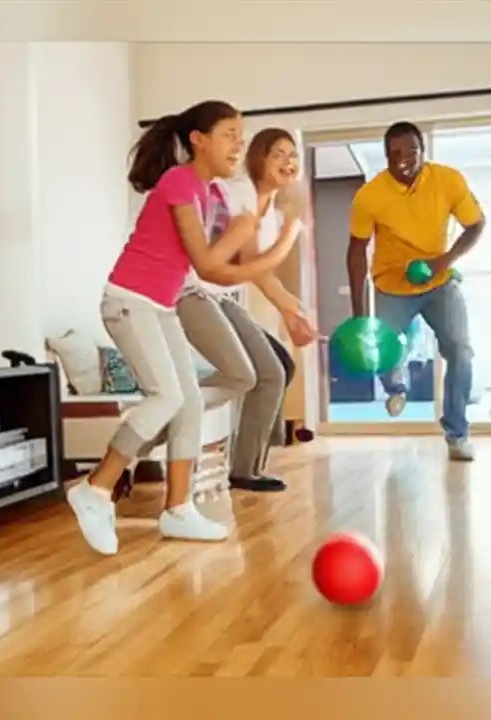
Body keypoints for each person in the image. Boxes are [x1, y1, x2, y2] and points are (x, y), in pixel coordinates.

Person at [66, 100, 303, 556]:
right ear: (199, 139)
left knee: (189, 401)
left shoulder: (212, 196)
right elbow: (208, 265)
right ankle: (94, 488)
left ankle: (178, 509)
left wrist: (258, 232)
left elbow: (227, 269)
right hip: (129, 302)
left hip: (161, 305)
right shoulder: (179, 183)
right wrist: (269, 233)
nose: (239, 143)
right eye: (230, 134)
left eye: (241, 134)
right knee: (169, 397)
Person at [174, 127, 315, 493]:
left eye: (292, 155)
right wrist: (291, 235)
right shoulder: (240, 194)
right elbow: (252, 260)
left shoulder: (269, 210)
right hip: (194, 289)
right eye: (278, 154)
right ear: (259, 159)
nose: (289, 161)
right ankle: (177, 410)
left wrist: (292, 310)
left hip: (221, 295)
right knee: (265, 372)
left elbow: (257, 271)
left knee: (277, 367)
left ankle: (246, 468)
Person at [346, 121, 486, 461]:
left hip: (438, 283)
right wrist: (360, 315)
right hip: (392, 285)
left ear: (423, 151)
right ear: (385, 157)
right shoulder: (370, 196)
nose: (403, 159)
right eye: (394, 154)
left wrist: (443, 261)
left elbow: (476, 224)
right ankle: (397, 387)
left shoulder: (447, 180)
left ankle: (457, 434)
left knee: (461, 350)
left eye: (411, 150)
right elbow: (356, 250)